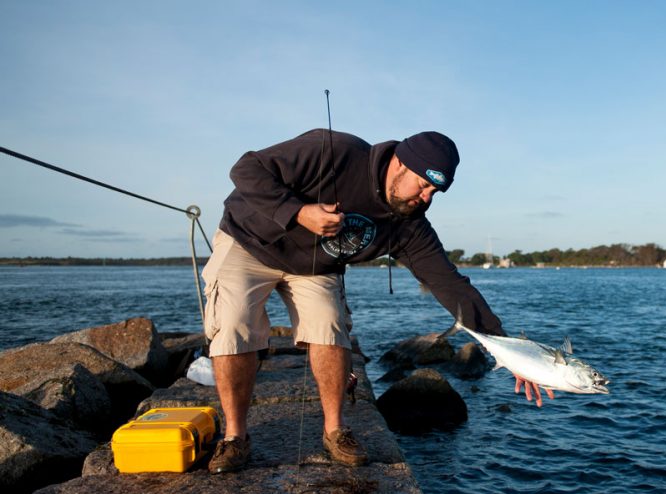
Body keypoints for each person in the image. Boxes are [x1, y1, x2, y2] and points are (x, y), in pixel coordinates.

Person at [203, 128, 552, 474]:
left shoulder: (409, 225)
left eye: (436, 192)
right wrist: (299, 212)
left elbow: (449, 283)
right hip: (249, 241)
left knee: (329, 325)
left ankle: (335, 430)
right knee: (234, 322)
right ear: (399, 163)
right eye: (424, 184)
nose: (427, 198)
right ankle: (235, 436)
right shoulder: (334, 151)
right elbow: (246, 168)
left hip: (315, 266)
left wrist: (507, 346)